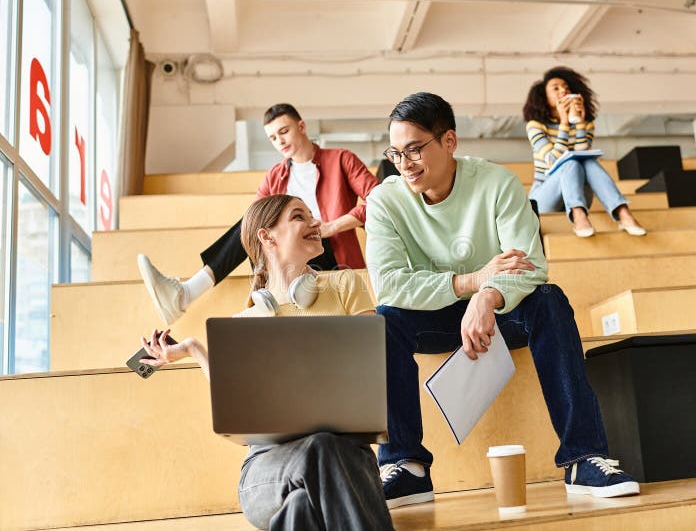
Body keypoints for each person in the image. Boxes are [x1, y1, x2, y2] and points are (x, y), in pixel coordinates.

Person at [366, 92, 640, 509]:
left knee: (548, 300)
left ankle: (584, 457)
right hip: (432, 318)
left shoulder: (496, 183)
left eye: (416, 149)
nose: (405, 164)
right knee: (382, 320)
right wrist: (473, 281)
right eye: (397, 153)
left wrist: (488, 296)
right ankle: (407, 467)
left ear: (449, 141)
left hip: (502, 313)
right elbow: (389, 286)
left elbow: (530, 267)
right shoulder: (384, 200)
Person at [139, 194, 394, 531]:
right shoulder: (245, 320)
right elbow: (237, 400)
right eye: (299, 216)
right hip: (267, 473)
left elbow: (373, 368)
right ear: (267, 236)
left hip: (347, 464)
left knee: (302, 505)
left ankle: (295, 515)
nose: (314, 223)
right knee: (318, 451)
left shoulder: (346, 284)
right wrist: (193, 348)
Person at [137, 103, 379, 325]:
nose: (279, 141)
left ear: (302, 127)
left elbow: (378, 201)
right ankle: (187, 293)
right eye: (273, 138)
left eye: (284, 131)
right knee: (250, 224)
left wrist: (331, 226)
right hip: (288, 255)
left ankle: (188, 292)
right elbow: (255, 221)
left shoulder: (341, 159)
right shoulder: (275, 175)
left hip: (332, 251)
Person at [523, 67, 646, 238]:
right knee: (570, 162)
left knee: (587, 161)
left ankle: (622, 212)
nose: (563, 90)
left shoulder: (586, 124)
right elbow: (553, 160)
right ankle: (579, 215)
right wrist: (564, 123)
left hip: (577, 189)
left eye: (566, 87)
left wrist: (579, 122)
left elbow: (582, 154)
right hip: (545, 195)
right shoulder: (535, 125)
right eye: (556, 88)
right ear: (544, 97)